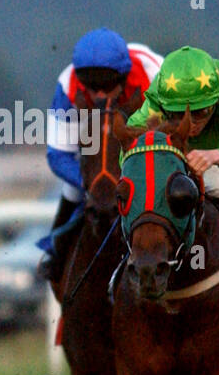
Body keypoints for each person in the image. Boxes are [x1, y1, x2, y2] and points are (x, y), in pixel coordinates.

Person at [38, 28, 162, 282]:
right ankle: (55, 250)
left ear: (124, 77)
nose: (100, 96)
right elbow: (59, 155)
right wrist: (95, 183)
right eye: (92, 88)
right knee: (72, 189)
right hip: (98, 153)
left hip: (150, 145)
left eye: (107, 86)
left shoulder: (154, 75)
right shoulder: (67, 85)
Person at [128, 45, 219, 238]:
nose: (190, 124)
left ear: (217, 101)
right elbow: (127, 152)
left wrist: (217, 155)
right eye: (177, 114)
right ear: (164, 105)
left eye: (201, 112)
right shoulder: (158, 96)